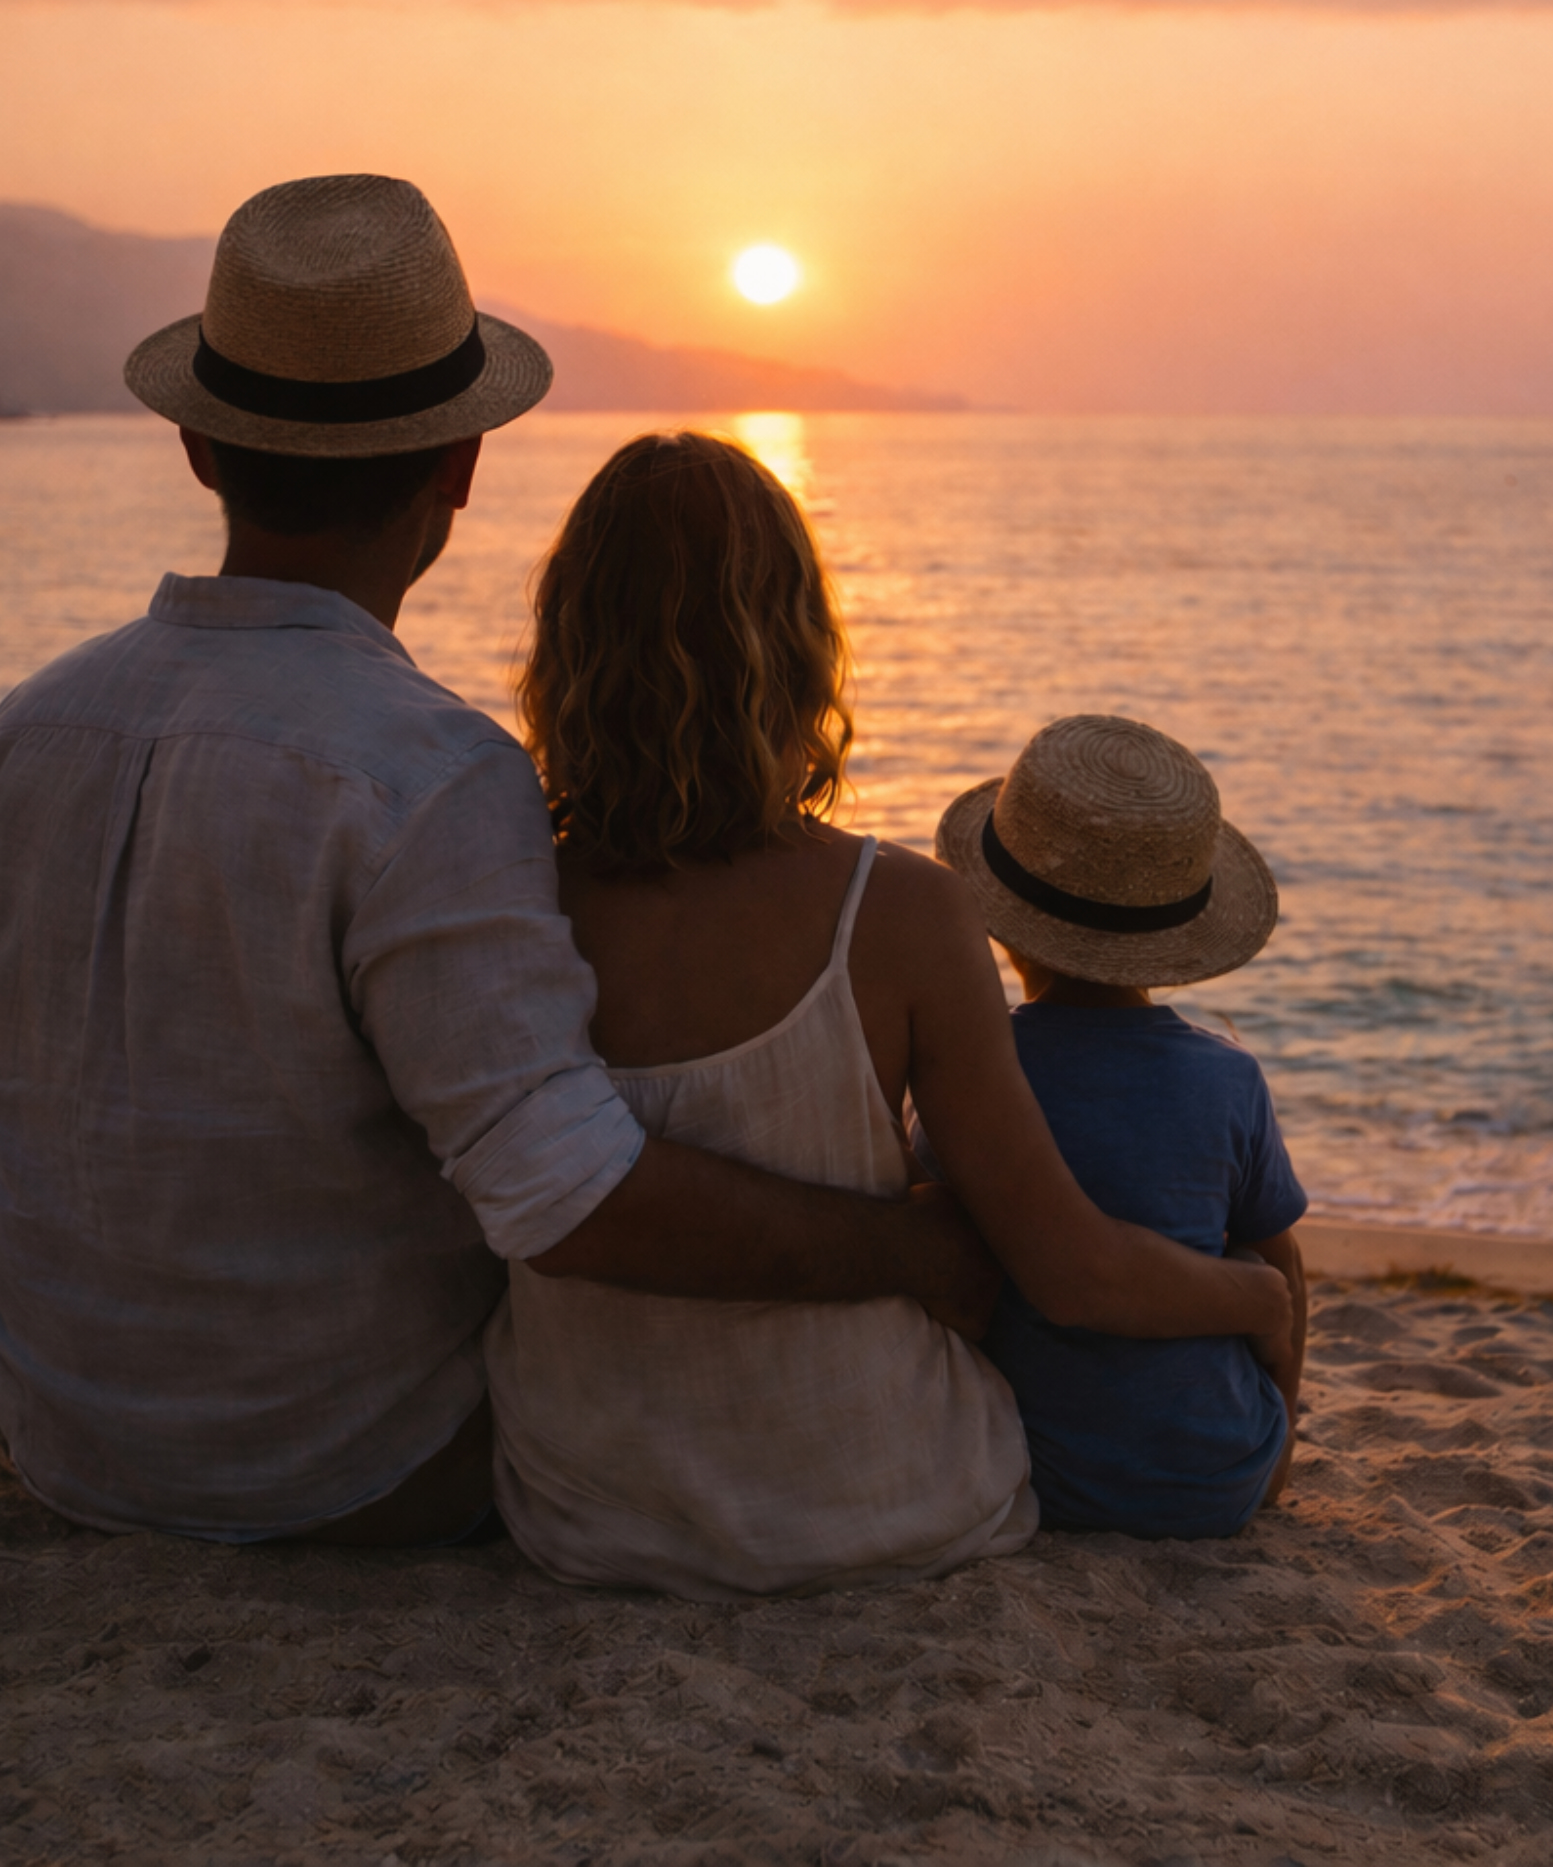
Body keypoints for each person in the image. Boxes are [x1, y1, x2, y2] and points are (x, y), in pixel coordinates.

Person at [0, 174, 1008, 1547]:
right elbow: (568, 1196)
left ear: (197, 447)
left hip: (66, 1442)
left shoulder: (32, 726)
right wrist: (918, 1248)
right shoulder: (428, 778)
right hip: (345, 1471)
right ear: (460, 467)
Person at [483, 433, 1293, 1597]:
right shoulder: (903, 910)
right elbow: (1068, 1273)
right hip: (875, 1496)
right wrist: (1255, 1292)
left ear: (566, 643)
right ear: (800, 644)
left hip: (582, 1506)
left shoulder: (504, 904)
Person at [926, 714, 1309, 1539]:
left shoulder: (979, 1069)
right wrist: (1275, 1449)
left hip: (1045, 1475)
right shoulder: (1229, 1077)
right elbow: (1283, 1271)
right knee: (1244, 1248)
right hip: (1221, 1477)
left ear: (1002, 921)